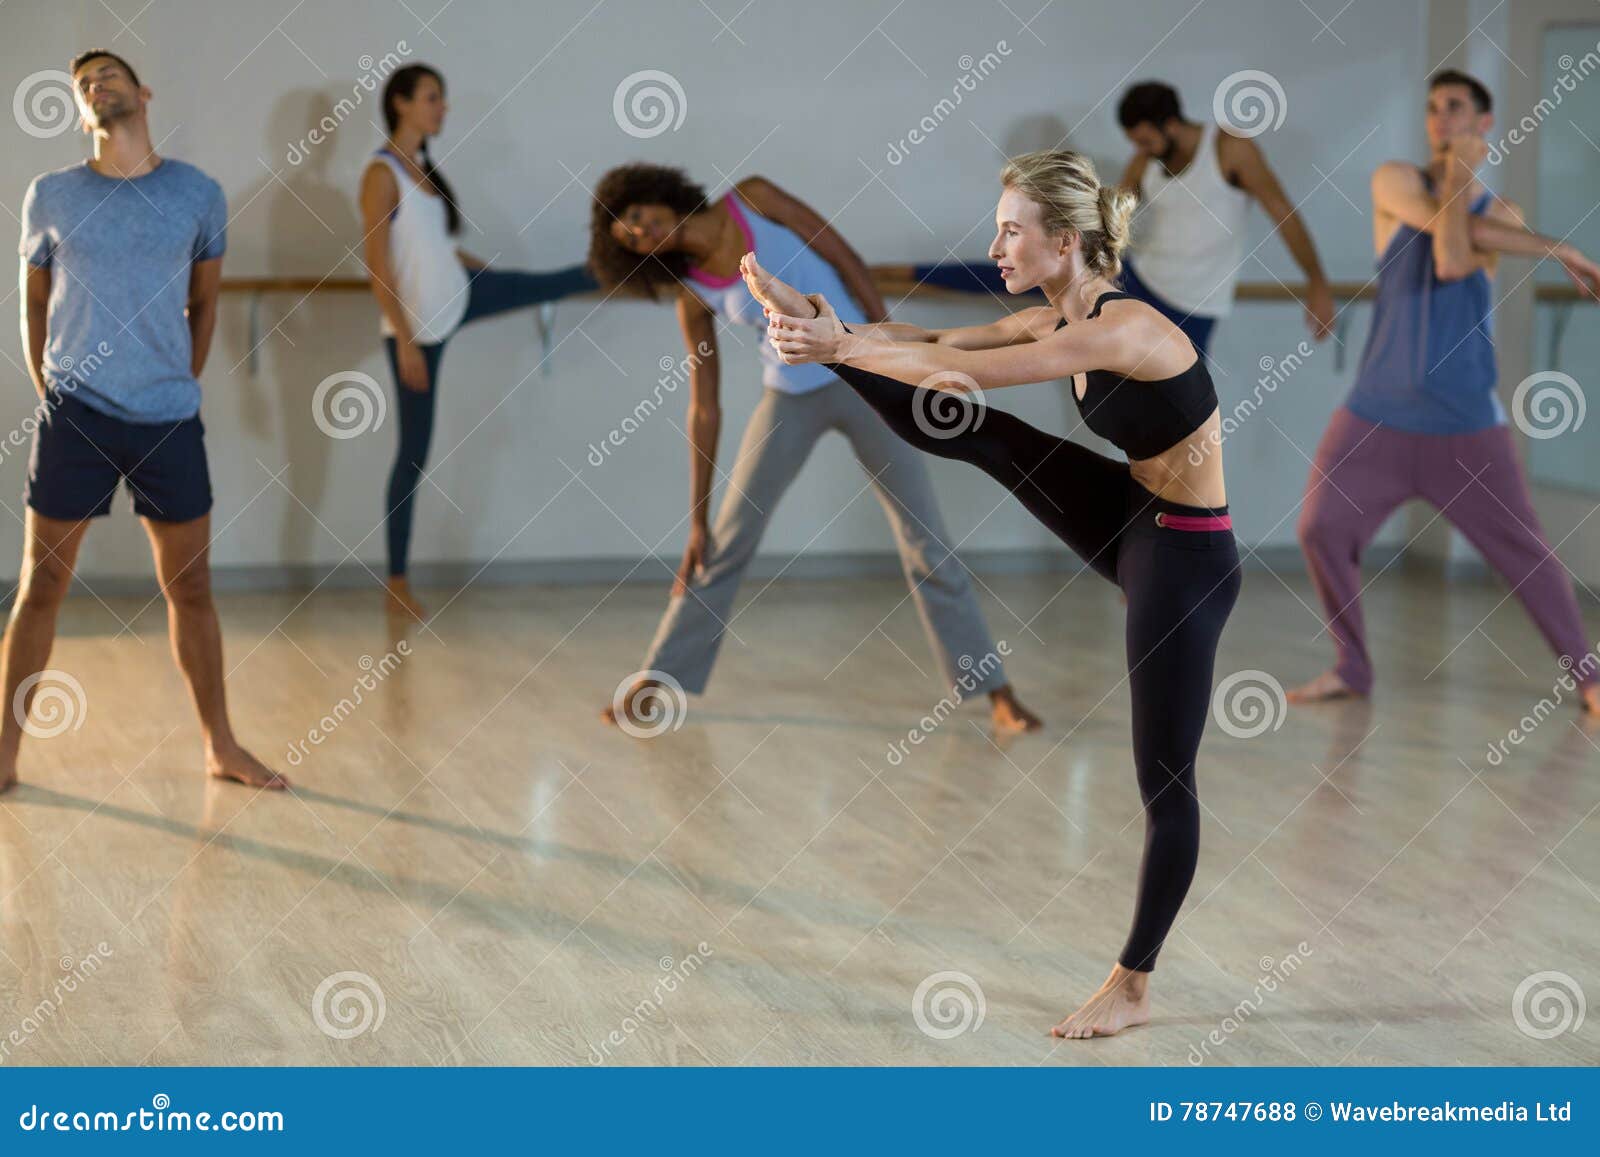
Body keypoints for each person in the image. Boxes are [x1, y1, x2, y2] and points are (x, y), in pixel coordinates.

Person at [749, 148, 1241, 1038]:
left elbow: (974, 375)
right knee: (994, 439)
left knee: (1166, 778)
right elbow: (939, 349)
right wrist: (833, 329)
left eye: (1012, 231)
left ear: (1065, 239)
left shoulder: (1123, 330)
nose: (996, 246)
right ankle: (834, 351)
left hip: (1187, 556)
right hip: (1135, 517)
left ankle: (1133, 983)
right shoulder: (1053, 314)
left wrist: (837, 346)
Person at [587, 163, 1040, 733]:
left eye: (636, 216)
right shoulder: (692, 293)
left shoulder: (752, 197)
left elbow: (842, 256)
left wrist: (892, 349)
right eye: (631, 239)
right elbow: (704, 407)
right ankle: (655, 681)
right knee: (722, 545)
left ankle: (996, 691)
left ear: (655, 196)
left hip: (867, 380)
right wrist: (696, 520)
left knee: (924, 536)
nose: (642, 231)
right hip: (789, 399)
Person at [3, 49, 283, 794]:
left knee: (191, 589)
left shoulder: (197, 193)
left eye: (109, 75)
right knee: (42, 585)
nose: (96, 85)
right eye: (83, 84)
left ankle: (221, 745)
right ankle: (3, 753)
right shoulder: (51, 194)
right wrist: (49, 388)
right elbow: (34, 302)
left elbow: (206, 301)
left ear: (143, 92)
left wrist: (178, 381)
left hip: (168, 419)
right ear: (80, 111)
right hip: (77, 415)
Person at [1289, 70, 1600, 711]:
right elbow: (1451, 245)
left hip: (1465, 421)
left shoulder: (1503, 212)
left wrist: (1497, 206)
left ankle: (1591, 678)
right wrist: (1556, 248)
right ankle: (1352, 668)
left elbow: (1456, 254)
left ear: (1485, 123)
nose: (1440, 119)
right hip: (1375, 414)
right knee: (1321, 529)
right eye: (1433, 108)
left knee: (1525, 553)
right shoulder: (1395, 181)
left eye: (1455, 108)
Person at [360, 64, 596, 619]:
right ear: (401, 103)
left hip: (460, 293)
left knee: (544, 283)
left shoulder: (424, 170)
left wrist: (487, 275)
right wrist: (405, 339)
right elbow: (377, 263)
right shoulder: (381, 173)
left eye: (441, 99)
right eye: (432, 98)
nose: (442, 108)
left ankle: (641, 265)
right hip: (419, 326)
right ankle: (396, 583)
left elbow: (436, 247)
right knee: (413, 452)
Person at [893, 79, 1335, 358]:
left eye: (1145, 140)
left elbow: (1283, 212)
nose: (1140, 150)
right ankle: (908, 277)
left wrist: (1316, 282)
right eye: (1135, 143)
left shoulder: (1230, 149)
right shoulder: (1145, 160)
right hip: (1140, 282)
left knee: (1176, 409)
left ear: (1170, 124)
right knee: (1026, 268)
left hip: (1196, 305)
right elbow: (1111, 216)